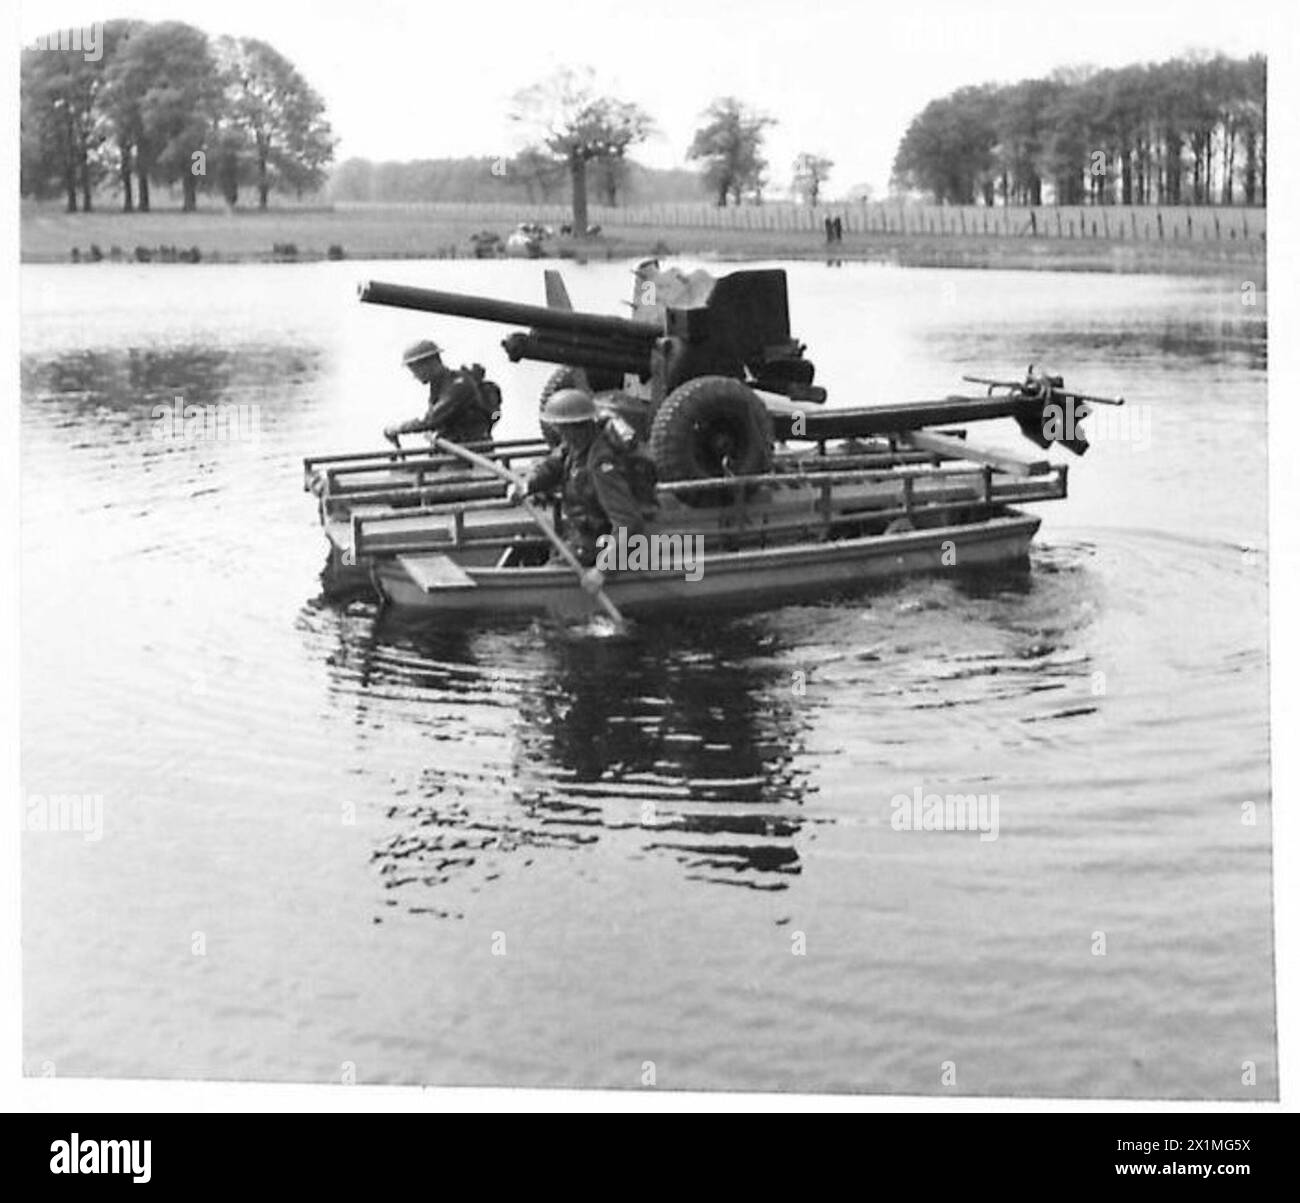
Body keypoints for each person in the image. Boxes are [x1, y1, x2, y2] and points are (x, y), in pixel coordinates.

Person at [507, 389, 656, 594]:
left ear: (574, 427)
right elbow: (553, 465)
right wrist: (528, 485)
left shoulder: (602, 463)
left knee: (548, 580)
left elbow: (628, 522)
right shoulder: (576, 446)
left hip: (602, 545)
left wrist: (602, 570)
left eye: (560, 427)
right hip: (582, 538)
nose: (558, 432)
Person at [383, 339, 501, 447]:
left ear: (430, 363)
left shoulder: (458, 384)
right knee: (406, 470)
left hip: (470, 451)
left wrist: (399, 428)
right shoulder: (439, 386)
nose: (414, 375)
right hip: (451, 448)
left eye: (414, 369)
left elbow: (432, 419)